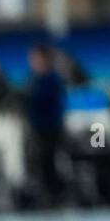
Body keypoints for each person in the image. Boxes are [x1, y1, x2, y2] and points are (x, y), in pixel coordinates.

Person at [23, 43, 68, 206]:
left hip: (51, 127)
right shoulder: (33, 78)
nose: (32, 61)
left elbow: (45, 100)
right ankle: (46, 194)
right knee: (40, 162)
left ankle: (57, 194)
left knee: (50, 162)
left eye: (35, 57)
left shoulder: (51, 78)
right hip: (37, 127)